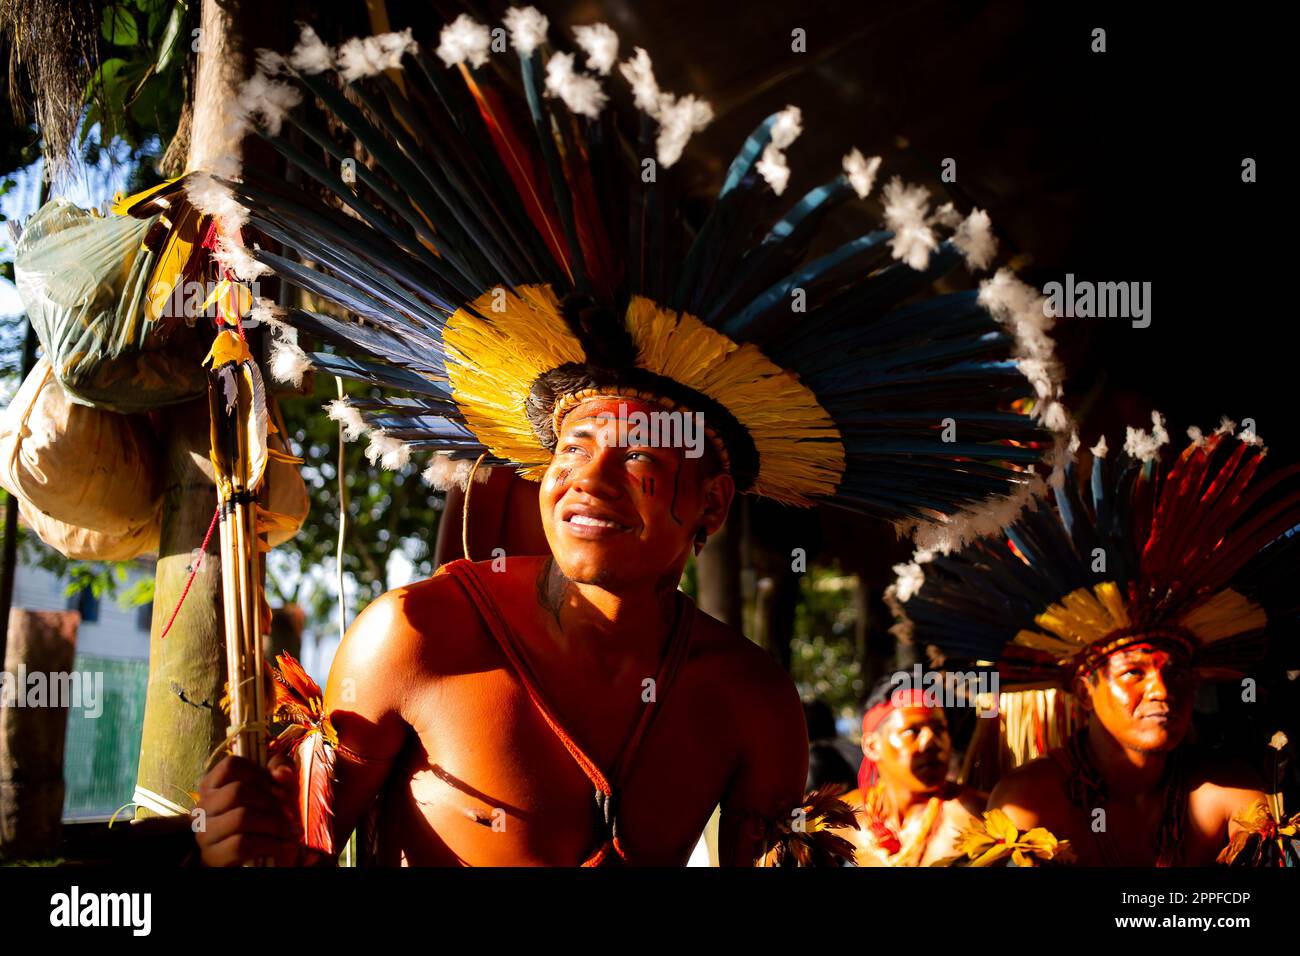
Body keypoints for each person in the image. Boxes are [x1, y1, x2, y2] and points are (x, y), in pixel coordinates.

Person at [190, 7, 1058, 866]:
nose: (588, 482)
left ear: (712, 500)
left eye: (640, 455)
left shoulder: (751, 701)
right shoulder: (414, 637)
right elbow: (296, 853)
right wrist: (236, 847)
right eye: (571, 447)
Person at [891, 416, 1300, 865]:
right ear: (1084, 691)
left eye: (1177, 672)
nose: (1161, 692)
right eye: (1133, 672)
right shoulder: (1028, 802)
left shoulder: (1233, 794)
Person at [841, 683, 984, 866]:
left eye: (940, 729)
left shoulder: (977, 816)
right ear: (872, 746)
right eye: (912, 731)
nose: (931, 742)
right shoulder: (841, 818)